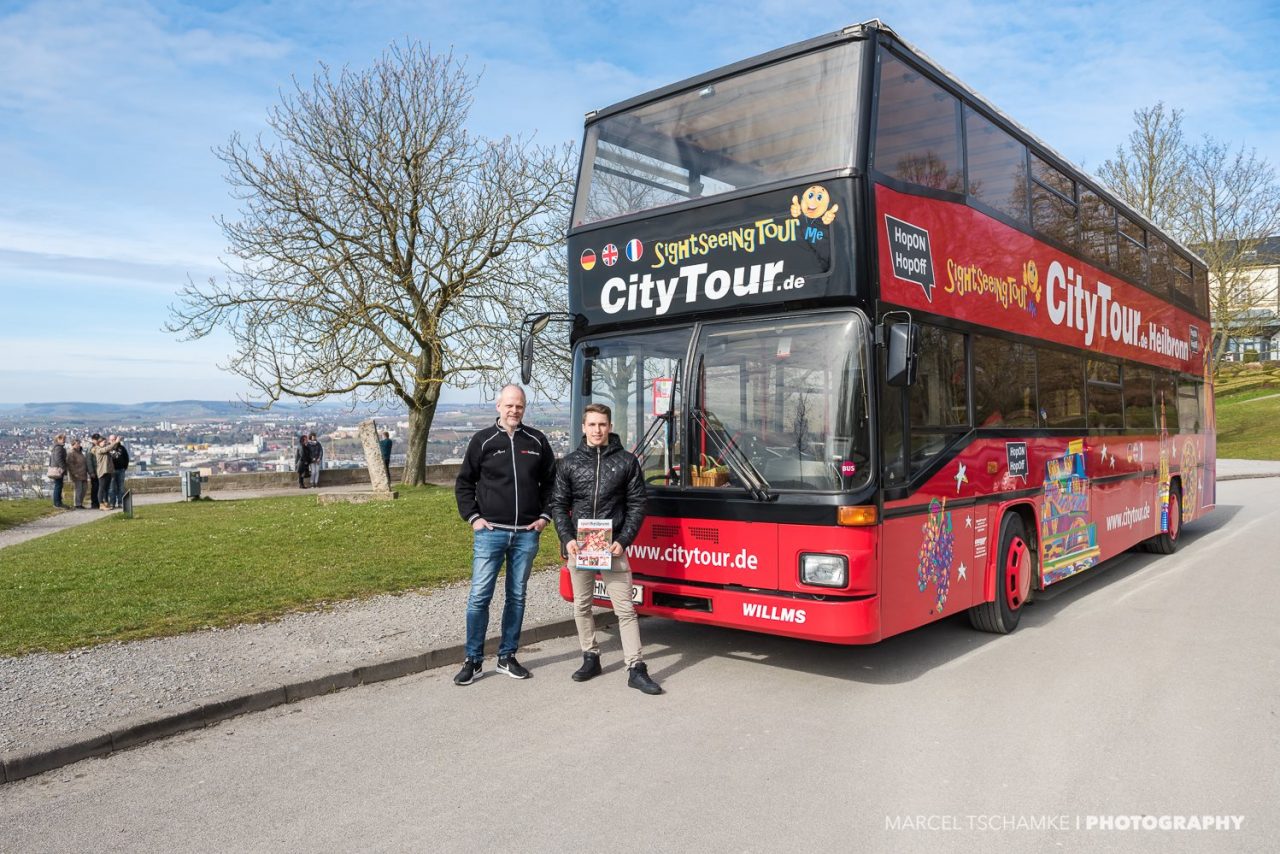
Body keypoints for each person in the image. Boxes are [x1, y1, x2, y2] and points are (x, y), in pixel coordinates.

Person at [550, 402, 661, 695]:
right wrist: (567, 538)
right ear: (583, 427)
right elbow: (558, 505)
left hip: (612, 546)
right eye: (592, 424)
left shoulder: (627, 462)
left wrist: (623, 541)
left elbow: (637, 505)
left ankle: (635, 667)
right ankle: (590, 656)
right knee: (582, 605)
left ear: (610, 427)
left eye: (602, 424)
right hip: (580, 546)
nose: (597, 430)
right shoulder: (569, 463)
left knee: (625, 610)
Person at [452, 384, 556, 686]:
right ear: (498, 406)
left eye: (519, 406)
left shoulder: (537, 440)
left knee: (517, 596)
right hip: (491, 533)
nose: (514, 410)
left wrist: (544, 517)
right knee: (479, 597)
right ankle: (473, 660)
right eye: (509, 405)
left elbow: (552, 483)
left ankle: (507, 656)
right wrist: (473, 518)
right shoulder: (483, 440)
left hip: (526, 534)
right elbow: (464, 483)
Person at [91, 435, 117, 511]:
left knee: (106, 488)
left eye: (105, 442)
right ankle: (101, 504)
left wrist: (113, 443)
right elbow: (106, 449)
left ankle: (106, 502)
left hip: (108, 471)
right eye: (104, 442)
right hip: (102, 471)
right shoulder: (98, 449)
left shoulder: (105, 449)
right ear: (99, 443)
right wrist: (115, 442)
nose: (105, 443)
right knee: (101, 488)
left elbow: (111, 448)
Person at [107, 435, 130, 509]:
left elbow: (126, 458)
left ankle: (120, 502)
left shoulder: (122, 448)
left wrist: (124, 467)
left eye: (114, 439)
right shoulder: (107, 448)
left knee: (121, 487)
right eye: (111, 440)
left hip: (120, 470)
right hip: (111, 471)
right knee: (111, 488)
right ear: (109, 440)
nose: (113, 441)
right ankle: (112, 503)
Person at [66, 439, 90, 509]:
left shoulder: (80, 453)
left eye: (79, 444)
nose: (79, 445)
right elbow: (70, 464)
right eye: (77, 444)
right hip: (77, 474)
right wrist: (74, 473)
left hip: (83, 474)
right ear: (73, 445)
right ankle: (77, 504)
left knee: (84, 489)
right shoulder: (71, 453)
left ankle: (80, 503)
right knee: (78, 489)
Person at [48, 434, 68, 509]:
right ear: (58, 439)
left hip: (56, 468)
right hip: (58, 469)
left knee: (59, 485)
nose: (64, 440)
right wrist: (63, 467)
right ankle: (57, 503)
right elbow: (58, 458)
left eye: (64, 439)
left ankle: (58, 502)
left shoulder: (56, 447)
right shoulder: (58, 448)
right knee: (58, 486)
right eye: (62, 439)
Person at [86, 432, 101, 509]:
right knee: (95, 488)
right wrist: (91, 472)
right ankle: (94, 503)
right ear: (93, 440)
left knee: (99, 487)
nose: (97, 440)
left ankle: (99, 502)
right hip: (94, 471)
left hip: (99, 471)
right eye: (96, 439)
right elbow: (89, 461)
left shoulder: (98, 446)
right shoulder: (90, 448)